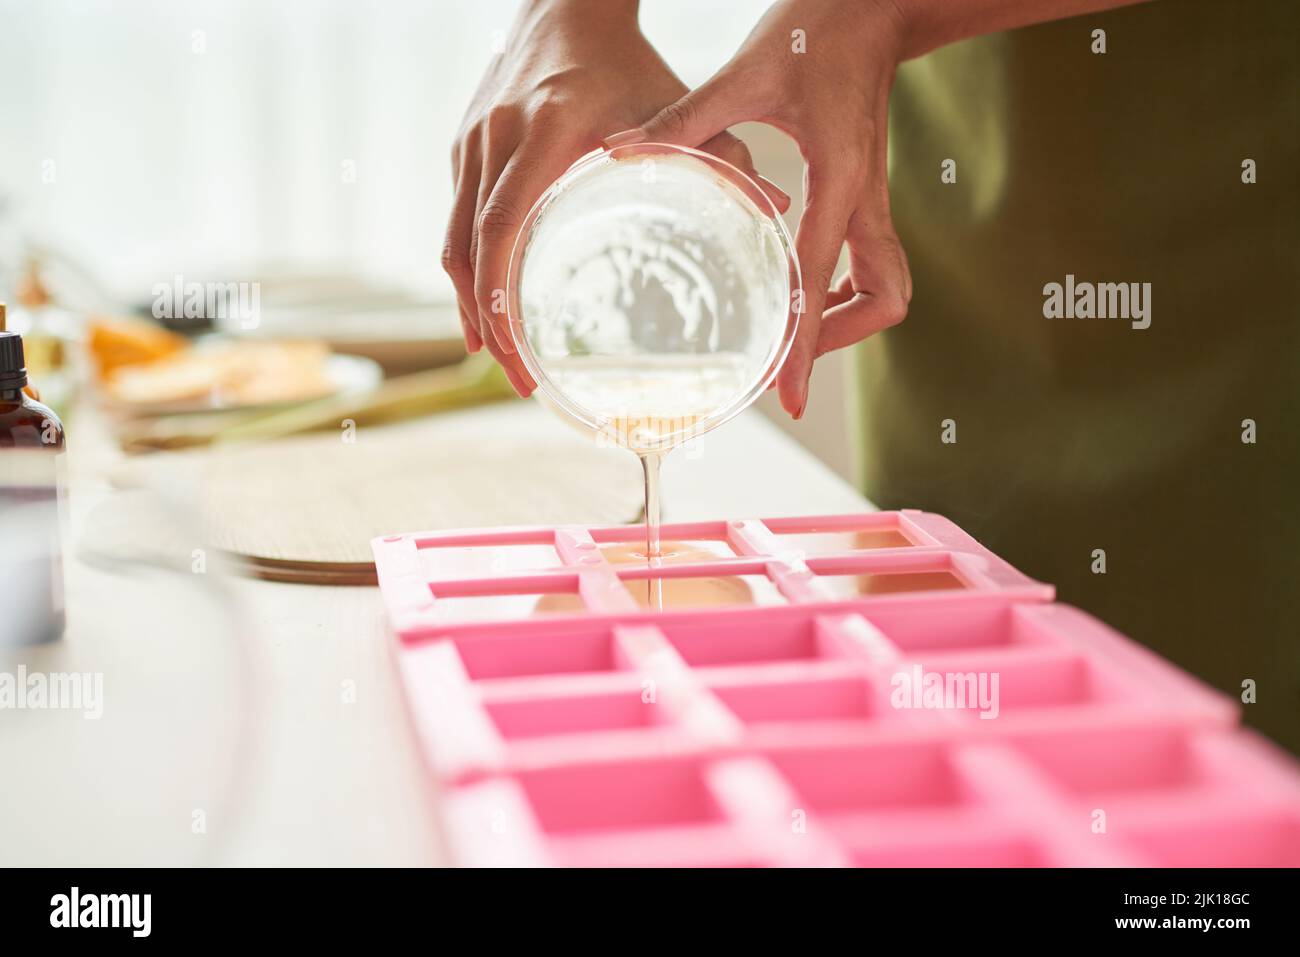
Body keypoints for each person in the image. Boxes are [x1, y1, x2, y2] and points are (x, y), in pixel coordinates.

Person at [443, 0, 1298, 752]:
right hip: (967, 200)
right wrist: (576, 13)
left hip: (1226, 215)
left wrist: (878, 8)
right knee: (947, 690)